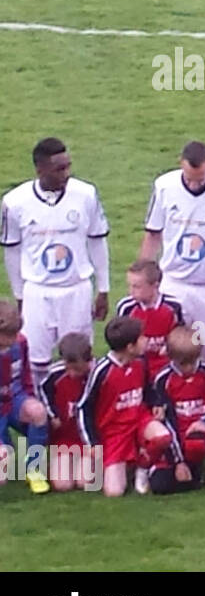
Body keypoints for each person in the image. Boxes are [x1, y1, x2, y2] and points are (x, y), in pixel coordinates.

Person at [1, 137, 111, 387]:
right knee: (36, 361)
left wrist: (103, 288)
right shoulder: (15, 202)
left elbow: (97, 240)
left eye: (68, 166)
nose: (66, 174)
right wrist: (20, 295)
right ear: (40, 169)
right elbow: (12, 250)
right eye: (59, 169)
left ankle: (76, 414)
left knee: (79, 359)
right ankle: (43, 418)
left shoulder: (85, 194)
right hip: (38, 292)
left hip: (76, 289)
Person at [139, 140, 205, 358]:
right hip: (173, 284)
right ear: (181, 164)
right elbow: (153, 234)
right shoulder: (164, 186)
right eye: (190, 178)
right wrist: (143, 279)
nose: (195, 185)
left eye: (200, 179)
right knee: (166, 348)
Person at [75, 316, 178, 497]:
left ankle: (143, 468)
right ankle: (117, 464)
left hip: (139, 419)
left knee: (162, 437)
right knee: (114, 492)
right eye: (142, 338)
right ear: (130, 347)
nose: (147, 340)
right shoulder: (102, 371)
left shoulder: (141, 361)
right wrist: (92, 443)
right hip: (114, 432)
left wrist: (156, 404)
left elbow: (148, 389)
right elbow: (83, 408)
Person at [147, 327, 205, 493]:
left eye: (192, 362)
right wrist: (178, 461)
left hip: (199, 431)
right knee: (160, 486)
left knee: (195, 444)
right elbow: (167, 420)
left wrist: (204, 421)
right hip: (174, 434)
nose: (188, 368)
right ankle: (156, 466)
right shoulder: (163, 379)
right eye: (182, 363)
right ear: (171, 358)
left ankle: (196, 468)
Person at [0, 300, 49, 492]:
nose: (13, 339)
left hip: (13, 398)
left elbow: (25, 375)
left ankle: (33, 468)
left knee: (38, 412)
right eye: (7, 336)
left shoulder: (20, 343)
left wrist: (30, 397)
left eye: (15, 334)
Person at [38, 333, 94, 491]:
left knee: (86, 483)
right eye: (68, 368)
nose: (72, 374)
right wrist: (53, 414)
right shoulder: (55, 374)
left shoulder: (96, 375)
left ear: (88, 361)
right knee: (63, 485)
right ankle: (57, 464)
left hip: (88, 439)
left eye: (77, 369)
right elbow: (42, 392)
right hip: (64, 437)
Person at [115, 259, 185, 383]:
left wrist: (171, 348)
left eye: (136, 287)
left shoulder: (173, 306)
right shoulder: (126, 307)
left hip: (166, 368)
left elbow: (180, 337)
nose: (131, 291)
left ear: (155, 286)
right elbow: (120, 344)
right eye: (129, 285)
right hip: (136, 368)